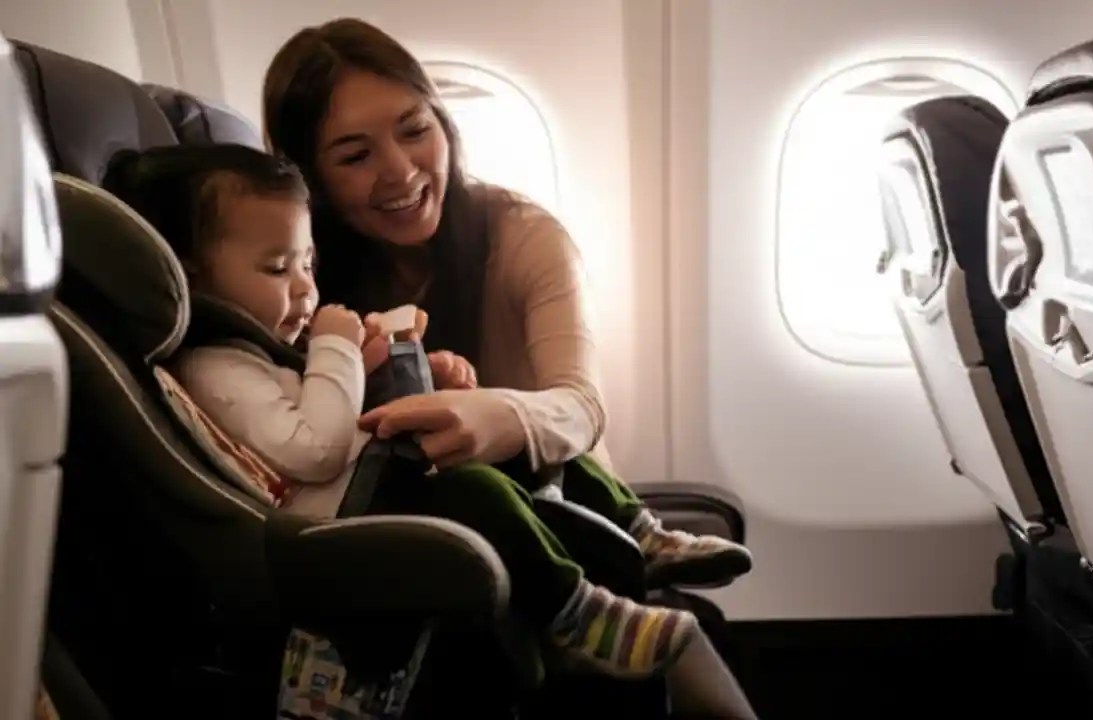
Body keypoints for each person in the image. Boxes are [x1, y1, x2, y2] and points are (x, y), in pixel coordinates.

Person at [100, 142, 699, 680]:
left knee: (510, 432)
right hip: (342, 518)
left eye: (307, 264)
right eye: (277, 268)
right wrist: (334, 351)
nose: (304, 288)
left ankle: (638, 529)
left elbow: (324, 411)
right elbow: (315, 450)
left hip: (367, 483)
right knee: (478, 492)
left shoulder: (257, 349)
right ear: (189, 276)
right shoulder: (214, 369)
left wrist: (401, 372)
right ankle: (581, 618)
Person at [260, 16, 752, 590]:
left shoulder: (523, 235)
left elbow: (583, 405)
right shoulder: (297, 283)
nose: (400, 171)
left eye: (415, 130)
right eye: (354, 156)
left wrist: (504, 418)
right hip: (412, 539)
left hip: (563, 513)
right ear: (310, 178)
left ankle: (638, 545)